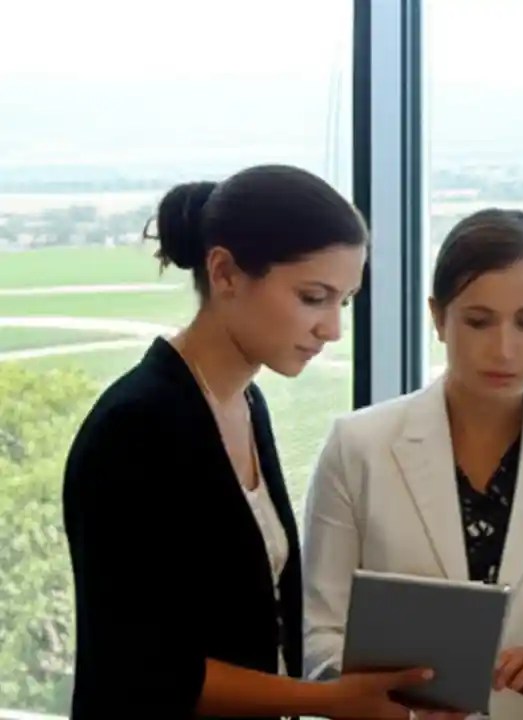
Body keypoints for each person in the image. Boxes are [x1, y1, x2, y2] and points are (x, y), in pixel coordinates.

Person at [61, 164, 464, 720]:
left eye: (342, 302)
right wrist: (330, 700)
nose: (332, 329)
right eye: (313, 297)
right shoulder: (135, 428)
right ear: (224, 272)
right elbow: (145, 667)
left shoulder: (248, 405)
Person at [301, 208, 523, 720]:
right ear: (437, 318)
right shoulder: (358, 446)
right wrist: (389, 707)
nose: (504, 348)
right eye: (478, 321)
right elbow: (317, 630)